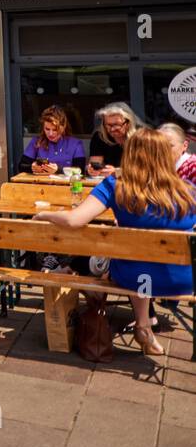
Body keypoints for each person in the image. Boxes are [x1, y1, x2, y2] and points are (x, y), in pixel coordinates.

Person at [35, 127, 196, 356]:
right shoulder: (188, 190)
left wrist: (45, 215)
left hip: (136, 278)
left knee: (133, 262)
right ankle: (143, 326)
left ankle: (137, 321)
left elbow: (74, 220)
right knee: (144, 261)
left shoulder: (115, 185)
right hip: (185, 282)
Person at [18, 104, 86, 175]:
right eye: (47, 129)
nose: (50, 133)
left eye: (55, 130)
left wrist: (58, 170)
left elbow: (80, 170)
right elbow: (21, 166)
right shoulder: (37, 141)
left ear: (63, 127)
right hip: (40, 183)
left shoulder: (75, 144)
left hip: (65, 184)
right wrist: (32, 167)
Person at [87, 102, 141, 177]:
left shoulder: (141, 138)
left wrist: (118, 172)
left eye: (117, 124)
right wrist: (93, 170)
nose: (112, 129)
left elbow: (146, 170)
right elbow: (95, 163)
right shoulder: (100, 137)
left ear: (128, 123)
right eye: (108, 125)